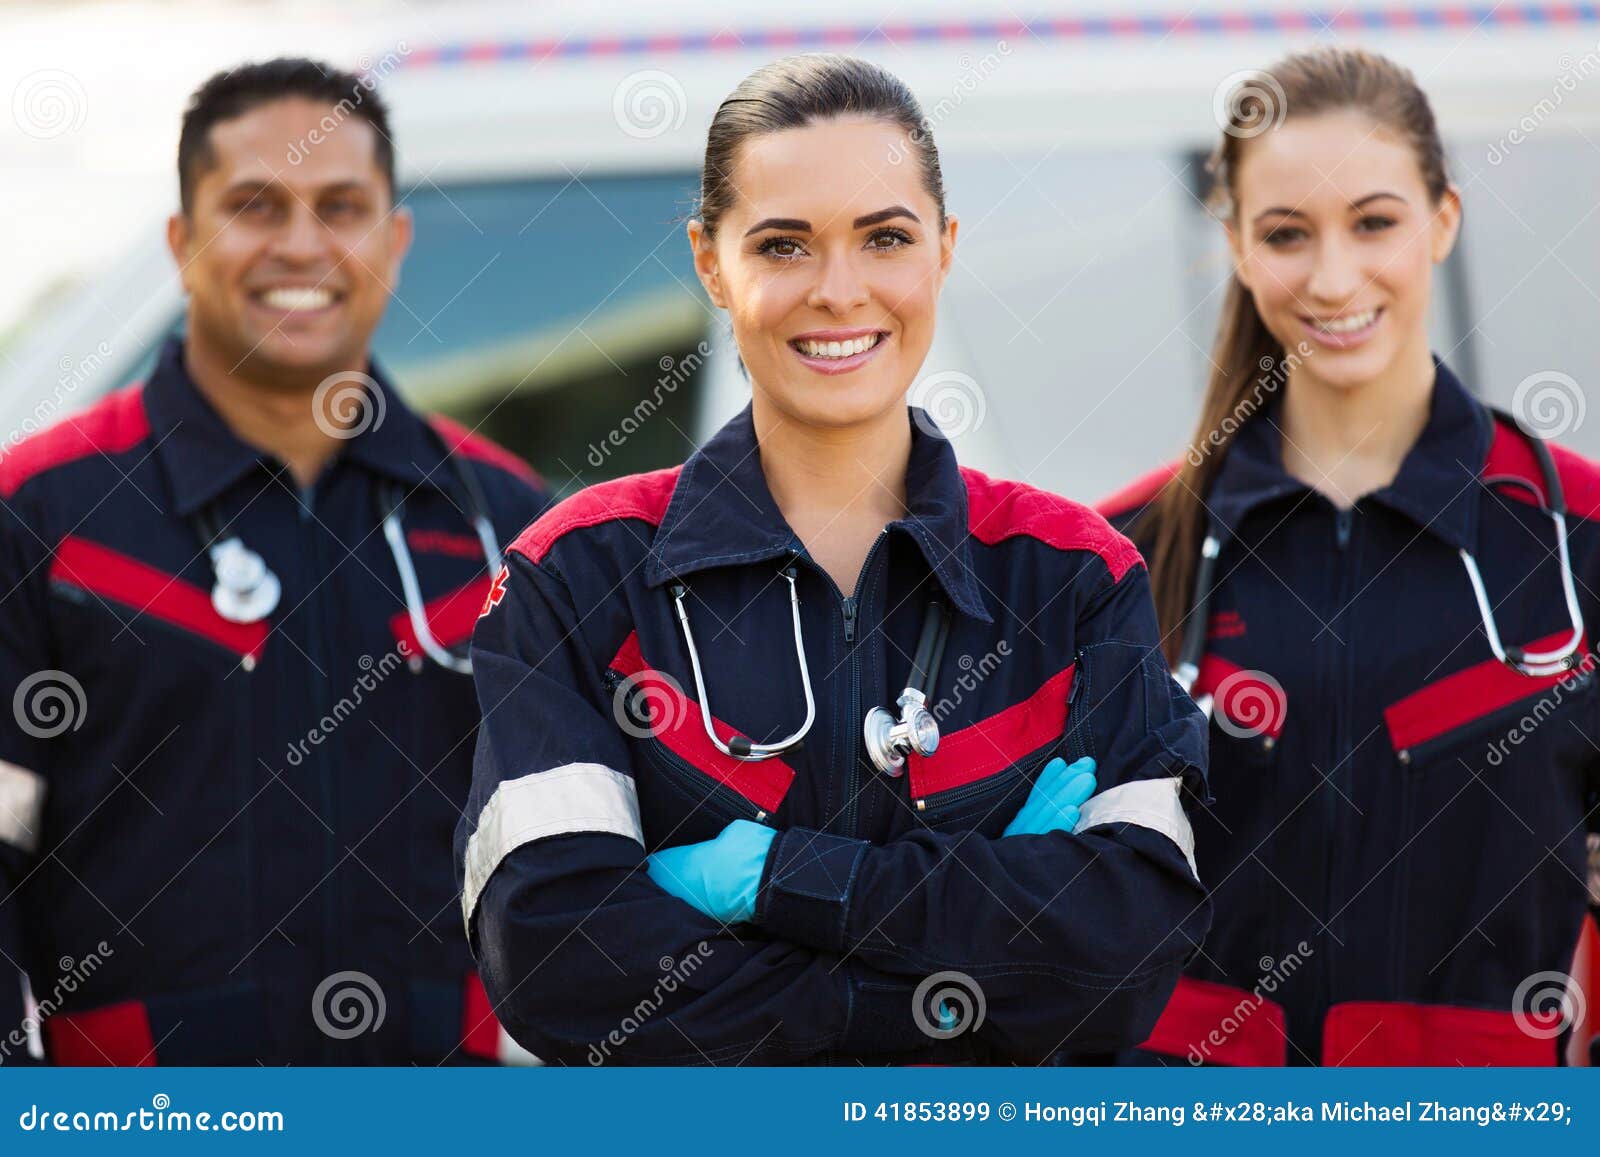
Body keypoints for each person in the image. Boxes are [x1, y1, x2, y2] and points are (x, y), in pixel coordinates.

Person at [459, 53, 1211, 1066]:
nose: (839, 290)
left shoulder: (1072, 577)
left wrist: (780, 878)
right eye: (783, 244)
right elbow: (562, 963)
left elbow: (1121, 956)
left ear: (942, 249)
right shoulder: (577, 574)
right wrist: (968, 958)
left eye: (885, 238)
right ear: (710, 263)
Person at [0, 59, 547, 1065]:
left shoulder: (509, 521)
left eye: (340, 206)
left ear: (394, 239)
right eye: (256, 205)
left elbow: (581, 869)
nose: (302, 243)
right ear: (183, 241)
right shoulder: (40, 514)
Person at [1099, 46, 1600, 1066]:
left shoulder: (1575, 540)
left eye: (1373, 222)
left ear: (1441, 221)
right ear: (1236, 245)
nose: (1333, 278)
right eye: (1286, 233)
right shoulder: (1120, 554)